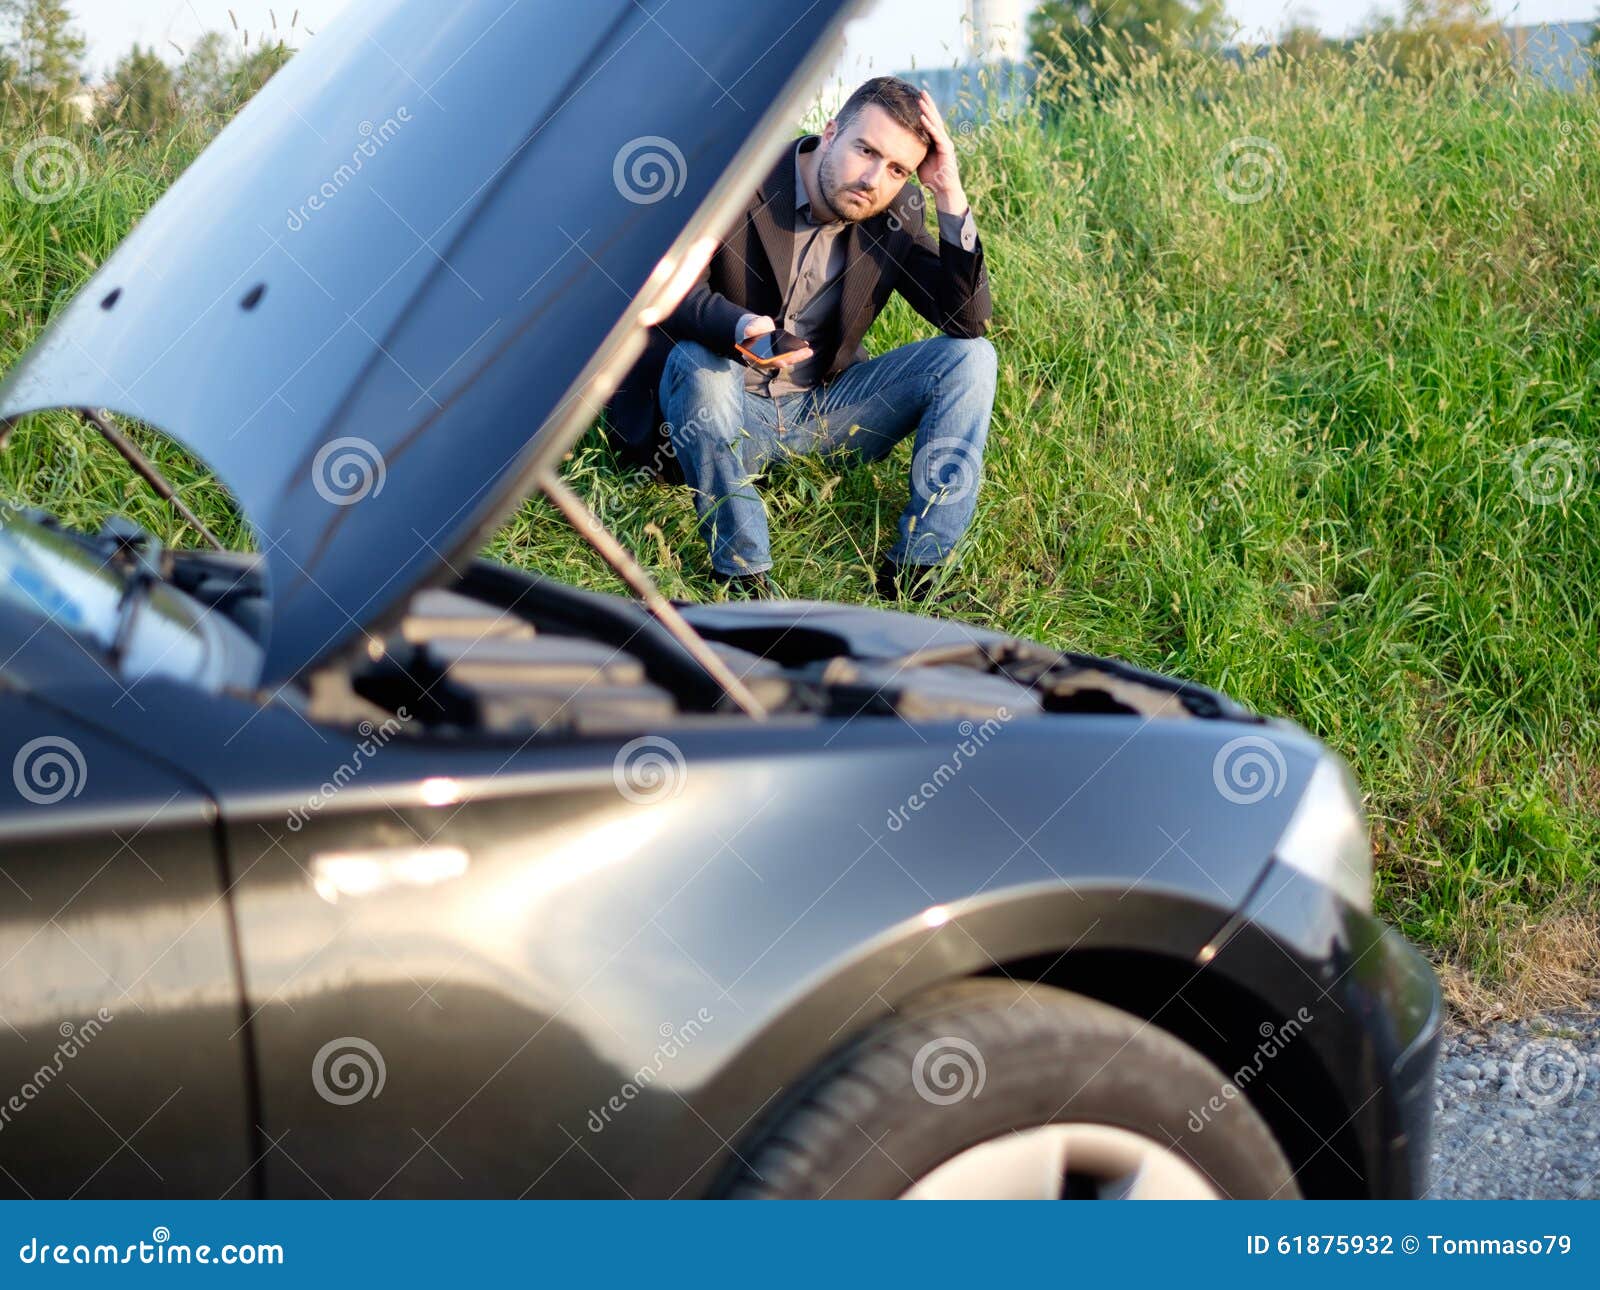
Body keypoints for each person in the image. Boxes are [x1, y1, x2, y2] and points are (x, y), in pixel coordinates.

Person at [605, 76, 995, 601]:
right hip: (720, 410)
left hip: (823, 413)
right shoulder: (739, 177)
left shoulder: (897, 211)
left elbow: (966, 320)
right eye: (867, 151)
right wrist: (739, 326)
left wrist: (949, 191)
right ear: (831, 130)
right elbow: (668, 288)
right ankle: (744, 574)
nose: (875, 180)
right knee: (700, 367)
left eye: (898, 169)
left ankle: (918, 570)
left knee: (972, 358)